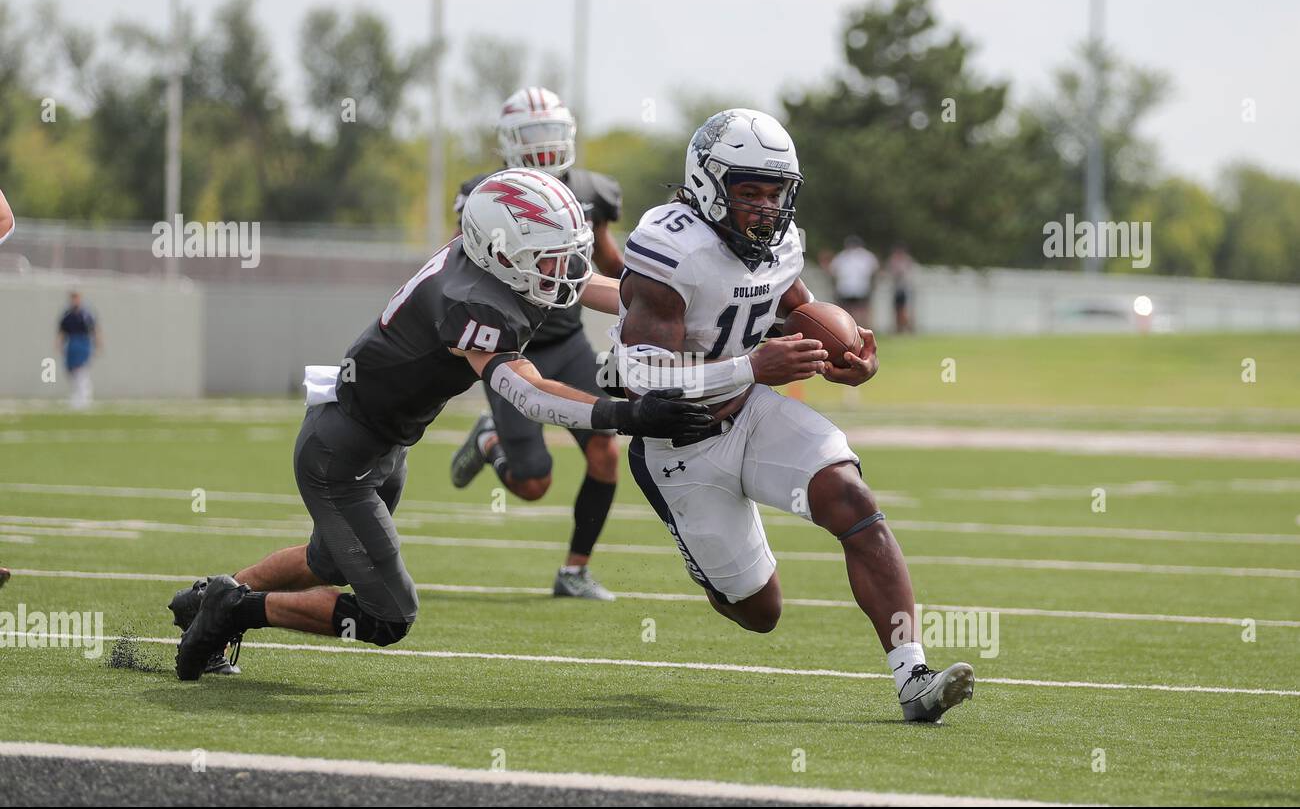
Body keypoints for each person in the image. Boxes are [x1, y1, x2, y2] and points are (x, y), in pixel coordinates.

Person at [166, 168, 711, 680]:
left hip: (381, 443)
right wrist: (628, 414)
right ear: (502, 250)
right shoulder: (470, 301)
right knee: (389, 614)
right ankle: (233, 611)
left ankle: (215, 593)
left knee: (324, 561)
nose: (560, 270)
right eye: (548, 258)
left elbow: (594, 285)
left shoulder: (486, 263)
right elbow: (531, 394)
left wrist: (694, 308)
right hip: (343, 455)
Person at [611, 109, 973, 722]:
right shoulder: (670, 247)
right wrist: (751, 366)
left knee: (852, 501)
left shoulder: (780, 244)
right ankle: (711, 567)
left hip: (749, 412)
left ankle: (914, 677)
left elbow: (794, 307)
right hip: (680, 442)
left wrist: (849, 349)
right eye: (747, 191)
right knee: (759, 612)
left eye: (774, 192)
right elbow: (641, 379)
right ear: (706, 184)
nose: (764, 207)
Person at [450, 87, 624, 601]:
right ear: (507, 141)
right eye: (532, 136)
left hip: (567, 341)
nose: (544, 147)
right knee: (532, 484)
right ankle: (490, 440)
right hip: (512, 348)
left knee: (606, 453)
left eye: (552, 134)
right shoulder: (484, 193)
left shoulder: (590, 191)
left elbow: (611, 263)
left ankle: (574, 571)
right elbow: (460, 266)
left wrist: (654, 286)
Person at [58, 292, 100, 409]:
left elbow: (94, 330)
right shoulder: (67, 315)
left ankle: (85, 396)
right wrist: (59, 345)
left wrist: (98, 344)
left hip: (83, 343)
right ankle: (77, 395)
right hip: (71, 343)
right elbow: (62, 331)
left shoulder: (86, 314)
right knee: (71, 370)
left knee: (80, 369)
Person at [827, 235, 878, 326]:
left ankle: (850, 328)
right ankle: (862, 328)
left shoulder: (842, 256)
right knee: (861, 311)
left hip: (846, 288)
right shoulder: (867, 256)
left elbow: (832, 271)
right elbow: (875, 270)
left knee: (848, 311)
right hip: (860, 287)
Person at [887, 243, 916, 333]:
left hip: (904, 289)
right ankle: (898, 328)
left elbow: (906, 274)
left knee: (904, 310)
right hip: (896, 289)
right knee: (896, 310)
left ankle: (908, 328)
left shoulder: (906, 261)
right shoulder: (893, 260)